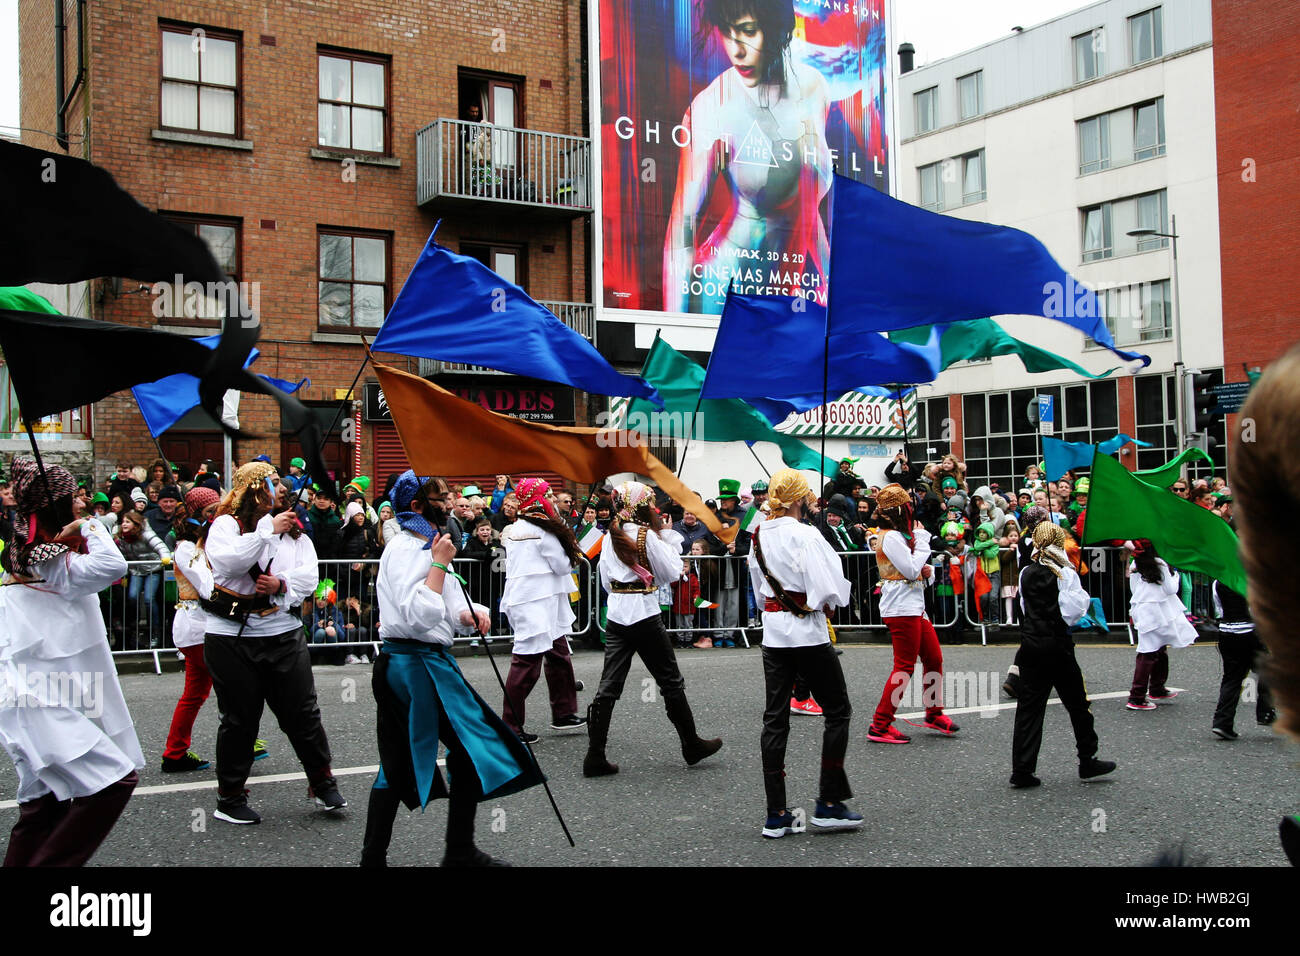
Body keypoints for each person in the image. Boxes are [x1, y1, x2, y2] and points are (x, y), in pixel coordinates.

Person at [361, 471, 544, 867]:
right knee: (465, 747)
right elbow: (418, 615)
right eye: (440, 497)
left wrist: (469, 613)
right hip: (415, 665)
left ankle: (385, 857)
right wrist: (441, 564)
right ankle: (456, 851)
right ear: (416, 506)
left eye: (447, 495)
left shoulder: (427, 545)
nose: (449, 502)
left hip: (420, 662)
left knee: (404, 759)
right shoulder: (409, 549)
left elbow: (444, 605)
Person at [0, 458, 143, 866]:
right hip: (31, 702)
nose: (81, 502)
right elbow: (112, 566)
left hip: (34, 697)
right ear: (54, 505)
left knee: (43, 808)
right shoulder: (46, 556)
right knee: (113, 782)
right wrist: (91, 526)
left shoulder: (42, 553)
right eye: (73, 497)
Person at [663, 0, 831, 314]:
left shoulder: (816, 90)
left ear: (779, 28)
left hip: (788, 297)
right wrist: (677, 330)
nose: (735, 49)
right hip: (727, 294)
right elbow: (681, 232)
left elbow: (809, 207)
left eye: (748, 31)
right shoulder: (713, 108)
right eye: (727, 33)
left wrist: (833, 289)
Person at [201, 461, 343, 824]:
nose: (280, 489)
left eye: (280, 483)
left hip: (282, 633)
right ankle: (229, 797)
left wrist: (280, 584)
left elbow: (309, 575)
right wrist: (267, 529)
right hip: (231, 638)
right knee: (239, 719)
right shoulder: (225, 526)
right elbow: (229, 563)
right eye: (271, 483)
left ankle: (322, 781)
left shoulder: (296, 534)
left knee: (303, 713)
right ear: (253, 489)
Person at [745, 468, 861, 837]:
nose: (811, 501)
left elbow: (757, 583)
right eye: (807, 496)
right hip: (808, 634)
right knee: (838, 711)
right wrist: (828, 602)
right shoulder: (807, 534)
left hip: (775, 635)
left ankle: (775, 813)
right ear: (797, 499)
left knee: (775, 719)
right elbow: (830, 588)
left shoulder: (759, 534)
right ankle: (828, 803)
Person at [584, 481, 723, 777]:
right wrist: (669, 541)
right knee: (671, 681)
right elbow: (673, 572)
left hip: (618, 613)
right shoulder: (647, 536)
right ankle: (691, 744)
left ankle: (595, 755)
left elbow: (606, 579)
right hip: (645, 613)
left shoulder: (611, 535)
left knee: (608, 687)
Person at [1009, 522, 1116, 788]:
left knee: (1029, 708)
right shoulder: (1065, 572)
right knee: (1078, 703)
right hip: (1057, 645)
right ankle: (1087, 758)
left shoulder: (1025, 572)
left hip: (1031, 645)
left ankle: (1022, 769)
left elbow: (1024, 605)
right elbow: (1072, 612)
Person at [865, 484, 958, 744]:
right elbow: (908, 569)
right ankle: (880, 724)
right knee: (904, 666)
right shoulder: (891, 536)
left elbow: (913, 568)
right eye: (907, 506)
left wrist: (926, 570)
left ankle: (934, 712)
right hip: (901, 608)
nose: (910, 511)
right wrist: (924, 542)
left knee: (934, 658)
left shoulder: (895, 535)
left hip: (913, 606)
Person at [498, 478, 586, 742]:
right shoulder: (543, 530)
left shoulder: (518, 527)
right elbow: (562, 566)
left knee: (559, 657)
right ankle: (510, 726)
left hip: (544, 601)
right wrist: (569, 544)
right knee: (527, 664)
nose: (552, 499)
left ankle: (564, 713)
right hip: (534, 602)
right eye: (547, 494)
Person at [160, 486, 220, 773]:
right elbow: (207, 587)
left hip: (201, 627)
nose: (216, 516)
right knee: (233, 685)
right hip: (198, 628)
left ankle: (174, 752)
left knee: (195, 694)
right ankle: (245, 743)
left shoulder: (204, 543)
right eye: (210, 512)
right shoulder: (186, 547)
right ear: (196, 515)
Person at [1125, 540, 1198, 711]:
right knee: (1148, 652)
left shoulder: (1136, 563)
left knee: (1157, 648)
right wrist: (1176, 575)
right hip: (1159, 611)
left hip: (1145, 608)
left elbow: (1134, 588)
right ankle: (1136, 696)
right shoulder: (1161, 563)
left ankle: (1157, 687)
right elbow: (1171, 589)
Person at [1210, 580, 1274, 739]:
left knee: (1232, 678)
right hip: (1249, 633)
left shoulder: (1218, 582)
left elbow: (1219, 609)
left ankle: (1222, 723)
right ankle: (1265, 712)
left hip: (1226, 632)